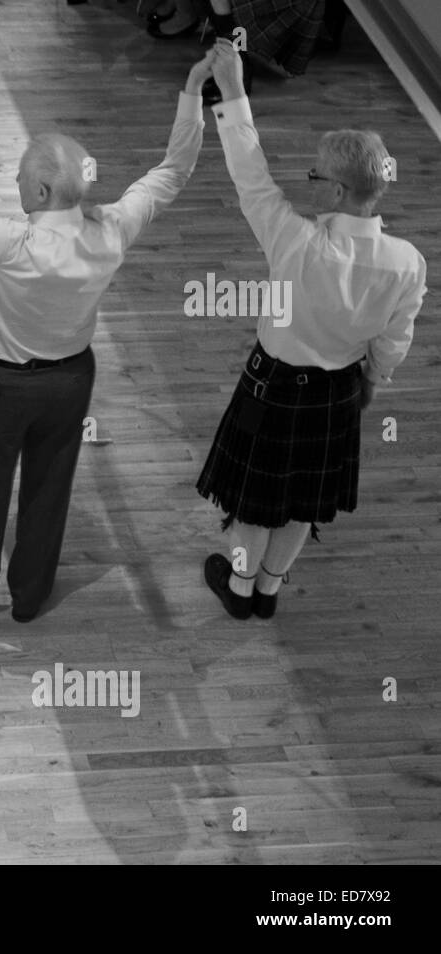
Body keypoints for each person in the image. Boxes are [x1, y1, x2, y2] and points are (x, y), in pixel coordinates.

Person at [0, 53, 213, 625]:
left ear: (46, 189)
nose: (15, 183)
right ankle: (30, 595)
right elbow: (173, 171)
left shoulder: (12, 244)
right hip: (72, 380)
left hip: (1, 385)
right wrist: (194, 89)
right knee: (50, 490)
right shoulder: (114, 229)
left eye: (23, 179)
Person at [196, 42, 426, 619]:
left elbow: (250, 174)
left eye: (316, 176)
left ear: (340, 191)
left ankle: (240, 587)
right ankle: (269, 591)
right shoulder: (408, 263)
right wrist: (374, 379)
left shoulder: (296, 242)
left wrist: (234, 89)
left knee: (252, 502)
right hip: (337, 391)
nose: (311, 183)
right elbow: (395, 340)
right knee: (302, 502)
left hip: (271, 387)